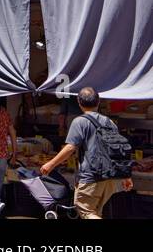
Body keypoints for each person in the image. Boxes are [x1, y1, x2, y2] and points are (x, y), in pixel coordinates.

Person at [41, 86, 133, 219]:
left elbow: (70, 148)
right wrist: (126, 176)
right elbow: (119, 150)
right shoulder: (110, 122)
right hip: (109, 177)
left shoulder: (80, 121)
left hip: (91, 176)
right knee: (95, 212)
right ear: (98, 101)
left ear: (79, 102)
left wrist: (50, 164)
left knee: (86, 211)